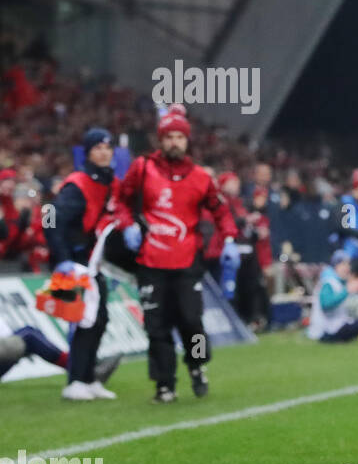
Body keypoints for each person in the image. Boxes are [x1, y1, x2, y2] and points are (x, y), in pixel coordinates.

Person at [114, 107, 240, 404]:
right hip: (150, 261)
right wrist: (127, 224)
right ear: (160, 139)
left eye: (179, 137)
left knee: (192, 322)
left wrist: (231, 239)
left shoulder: (200, 177)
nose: (174, 142)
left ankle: (197, 366)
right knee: (156, 325)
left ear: (187, 141)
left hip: (186, 262)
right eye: (168, 136)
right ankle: (164, 384)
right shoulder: (142, 168)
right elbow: (120, 200)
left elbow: (221, 211)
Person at [42, 128, 126, 400]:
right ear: (88, 152)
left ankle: (89, 378)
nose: (103, 152)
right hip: (75, 260)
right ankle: (75, 380)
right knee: (83, 321)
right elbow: (49, 215)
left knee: (99, 319)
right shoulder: (78, 183)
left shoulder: (110, 183)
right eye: (98, 147)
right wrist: (62, 258)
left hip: (94, 260)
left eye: (107, 147)